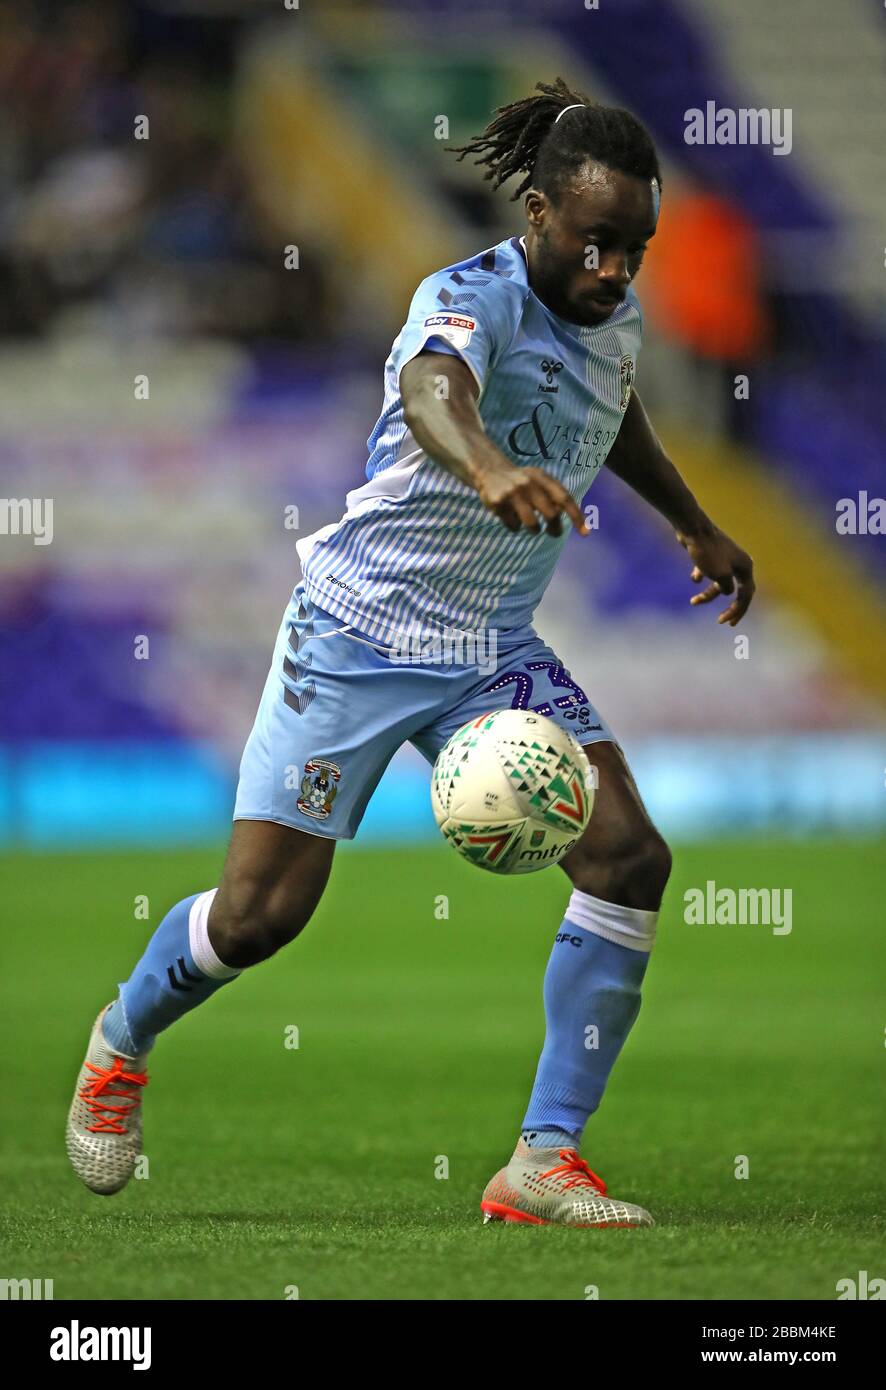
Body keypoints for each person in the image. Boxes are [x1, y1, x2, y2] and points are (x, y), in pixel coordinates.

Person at [66, 78, 754, 1228]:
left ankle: (542, 1158)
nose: (617, 271)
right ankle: (122, 1038)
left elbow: (613, 406)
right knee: (259, 917)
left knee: (630, 857)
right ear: (535, 213)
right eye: (596, 243)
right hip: (357, 631)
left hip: (491, 644)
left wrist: (691, 517)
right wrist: (486, 465)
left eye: (636, 248)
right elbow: (435, 391)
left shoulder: (612, 309)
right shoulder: (464, 297)